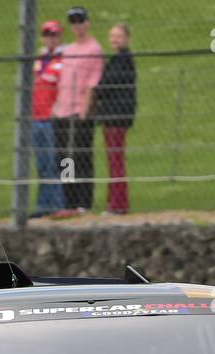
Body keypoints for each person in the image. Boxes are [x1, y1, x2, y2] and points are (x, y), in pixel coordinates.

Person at [51, 6, 104, 217]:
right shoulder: (68, 51)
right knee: (65, 158)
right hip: (62, 110)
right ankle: (69, 200)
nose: (78, 26)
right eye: (74, 22)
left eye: (80, 21)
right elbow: (62, 80)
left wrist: (84, 110)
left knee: (81, 156)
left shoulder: (94, 49)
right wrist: (56, 106)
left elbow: (93, 81)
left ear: (87, 23)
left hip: (80, 111)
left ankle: (84, 201)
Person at [98, 22, 136, 215]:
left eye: (118, 36)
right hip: (112, 116)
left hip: (116, 117)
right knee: (114, 160)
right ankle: (115, 202)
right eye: (112, 36)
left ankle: (118, 204)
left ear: (127, 39)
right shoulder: (117, 59)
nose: (114, 39)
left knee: (116, 161)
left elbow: (106, 84)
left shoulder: (123, 60)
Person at [30, 20, 65, 217]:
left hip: (51, 118)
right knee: (42, 164)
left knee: (55, 162)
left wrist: (57, 109)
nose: (50, 38)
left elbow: (65, 88)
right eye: (47, 34)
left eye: (54, 35)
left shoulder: (62, 60)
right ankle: (43, 206)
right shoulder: (38, 60)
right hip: (36, 117)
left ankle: (58, 204)